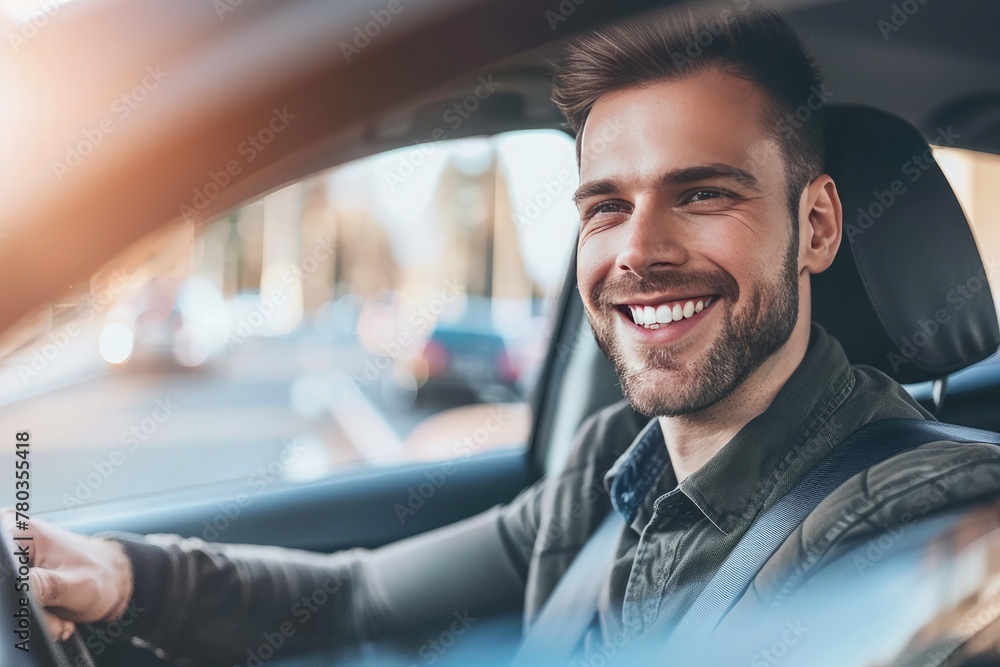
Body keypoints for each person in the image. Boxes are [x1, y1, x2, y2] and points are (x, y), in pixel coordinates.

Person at [7, 6, 1000, 665]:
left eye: (701, 194)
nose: (638, 253)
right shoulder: (616, 460)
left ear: (817, 225)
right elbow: (356, 599)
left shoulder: (928, 520)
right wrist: (125, 577)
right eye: (604, 208)